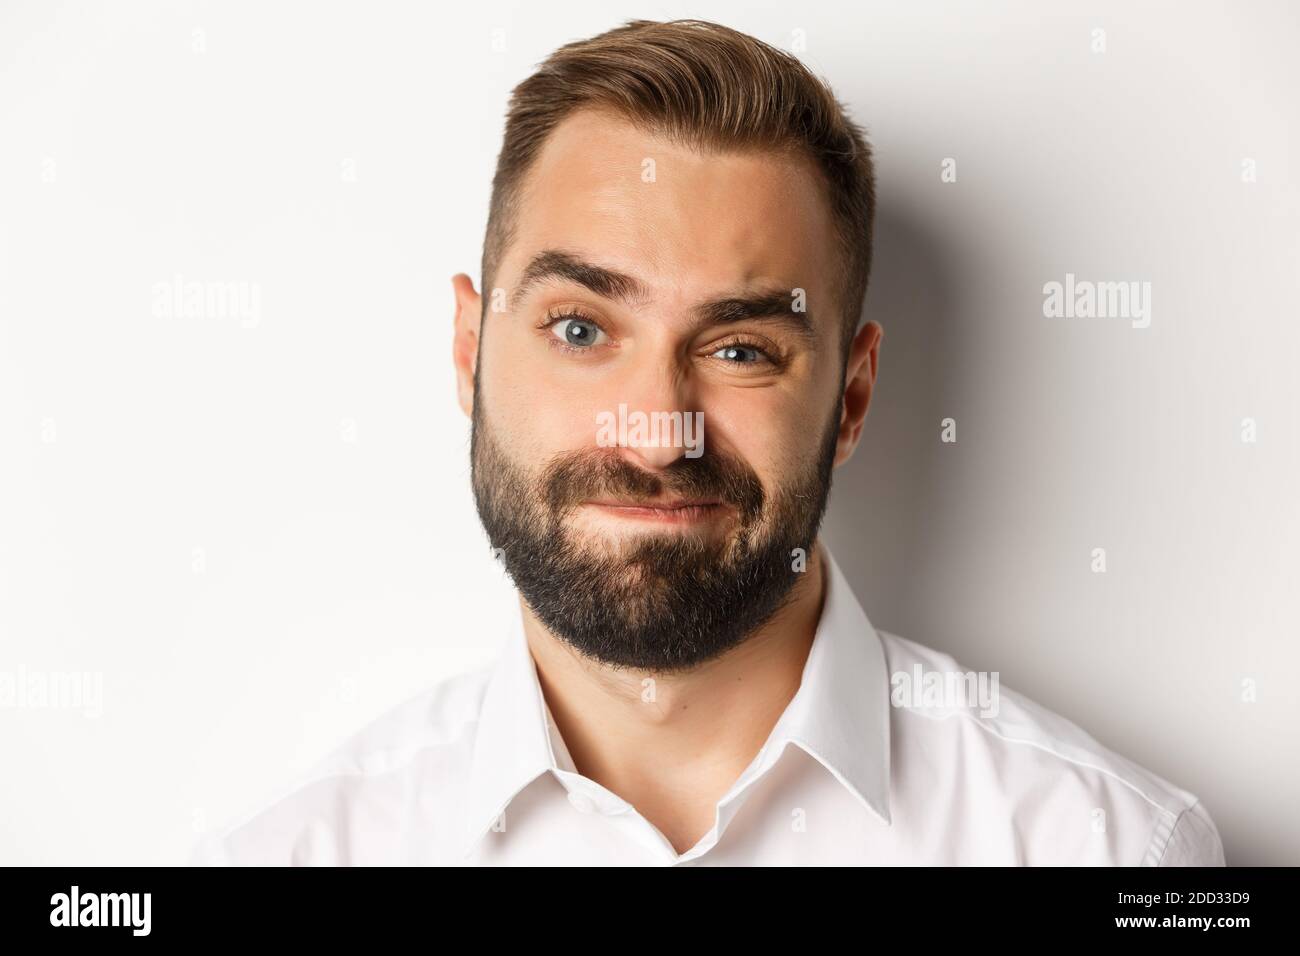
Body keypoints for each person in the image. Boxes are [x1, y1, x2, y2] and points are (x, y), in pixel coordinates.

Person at [193, 18, 1224, 866]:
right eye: (581, 328)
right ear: (469, 351)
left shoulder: (1111, 851)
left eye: (738, 348)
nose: (655, 427)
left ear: (852, 395)